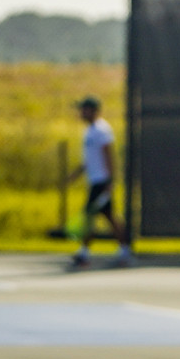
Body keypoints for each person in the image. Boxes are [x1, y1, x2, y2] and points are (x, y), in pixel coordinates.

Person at [70, 96, 132, 269]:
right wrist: (77, 173)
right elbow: (89, 159)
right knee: (108, 216)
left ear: (94, 111)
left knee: (90, 217)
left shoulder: (101, 129)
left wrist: (110, 181)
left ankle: (84, 253)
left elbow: (108, 155)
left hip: (101, 181)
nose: (82, 113)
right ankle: (123, 250)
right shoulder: (89, 130)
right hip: (95, 180)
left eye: (85, 109)